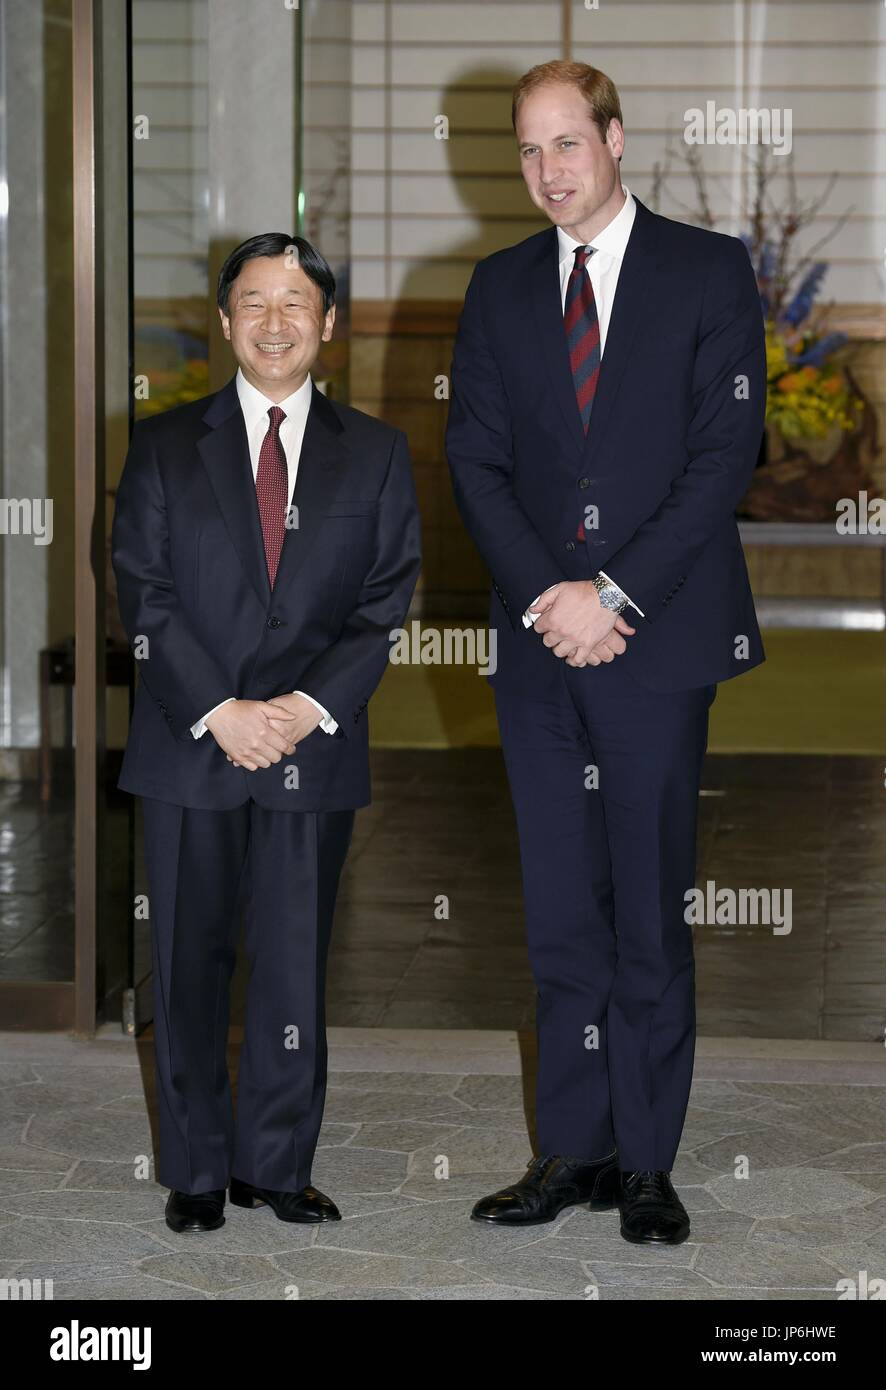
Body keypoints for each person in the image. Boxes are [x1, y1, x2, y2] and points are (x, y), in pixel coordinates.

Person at [445, 61, 765, 1243]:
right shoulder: (497, 286)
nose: (547, 172)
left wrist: (613, 592)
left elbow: (723, 454)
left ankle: (645, 1157)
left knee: (646, 911)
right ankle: (570, 1148)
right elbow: (473, 461)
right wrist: (548, 597)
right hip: (539, 649)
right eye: (528, 152)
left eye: (567, 145)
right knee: (557, 911)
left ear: (616, 141)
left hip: (657, 635)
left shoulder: (707, 269)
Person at [112, 233, 421, 1233]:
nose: (275, 321)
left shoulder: (371, 451)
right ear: (224, 320)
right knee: (189, 962)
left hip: (311, 747)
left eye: (296, 303)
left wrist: (300, 710)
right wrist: (220, 710)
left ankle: (277, 1164)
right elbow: (144, 594)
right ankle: (198, 1168)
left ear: (327, 325)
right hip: (188, 741)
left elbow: (384, 600)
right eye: (254, 302)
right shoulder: (162, 445)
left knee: (293, 963)